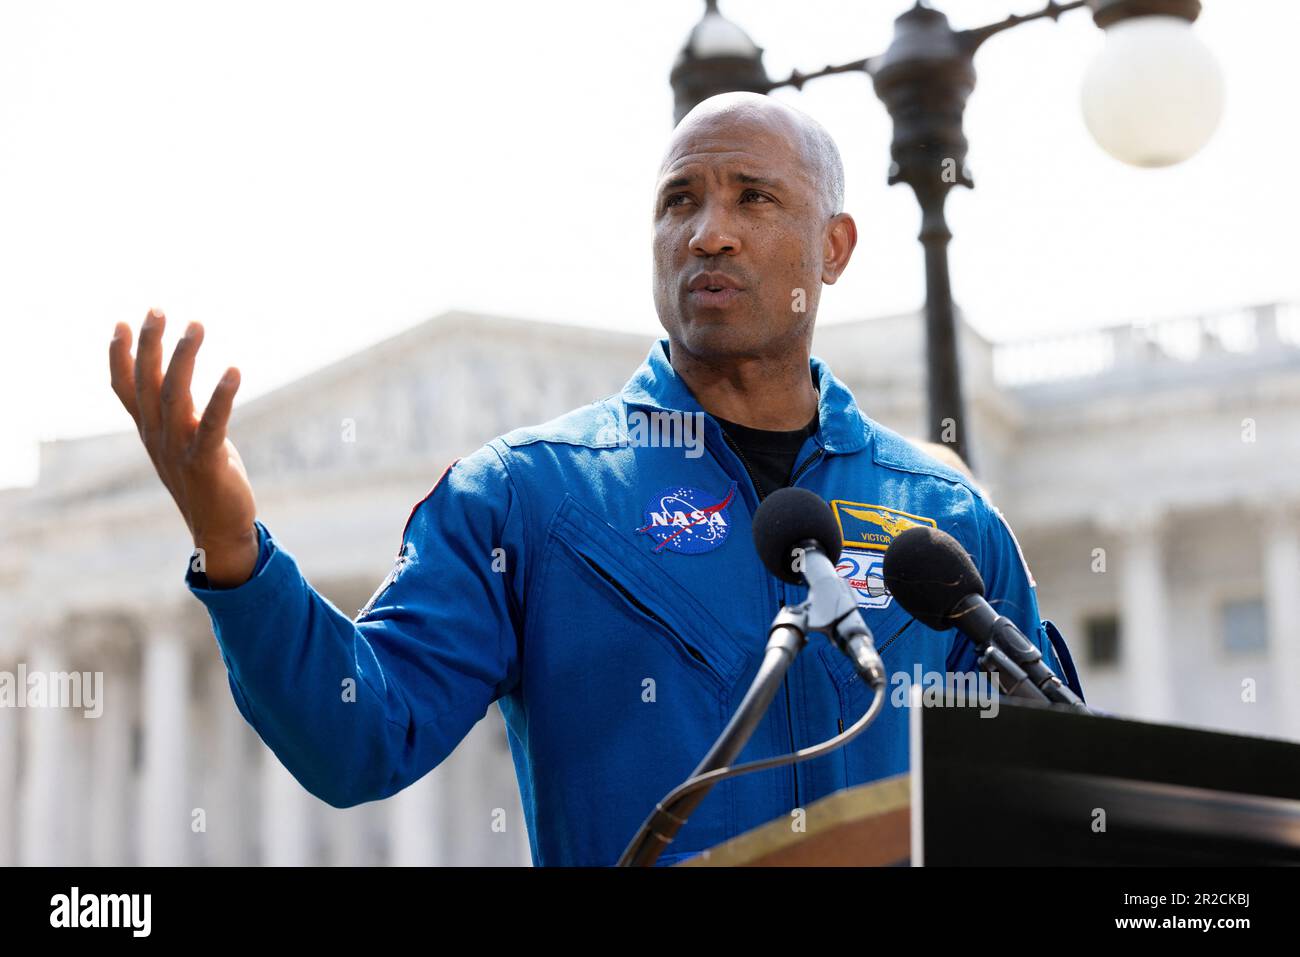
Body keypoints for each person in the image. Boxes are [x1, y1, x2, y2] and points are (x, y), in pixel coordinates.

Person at [108, 91, 1083, 867]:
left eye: (752, 196)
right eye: (678, 202)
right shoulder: (525, 499)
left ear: (831, 249)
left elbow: (1061, 788)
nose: (709, 232)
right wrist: (235, 552)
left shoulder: (942, 521)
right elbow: (357, 739)